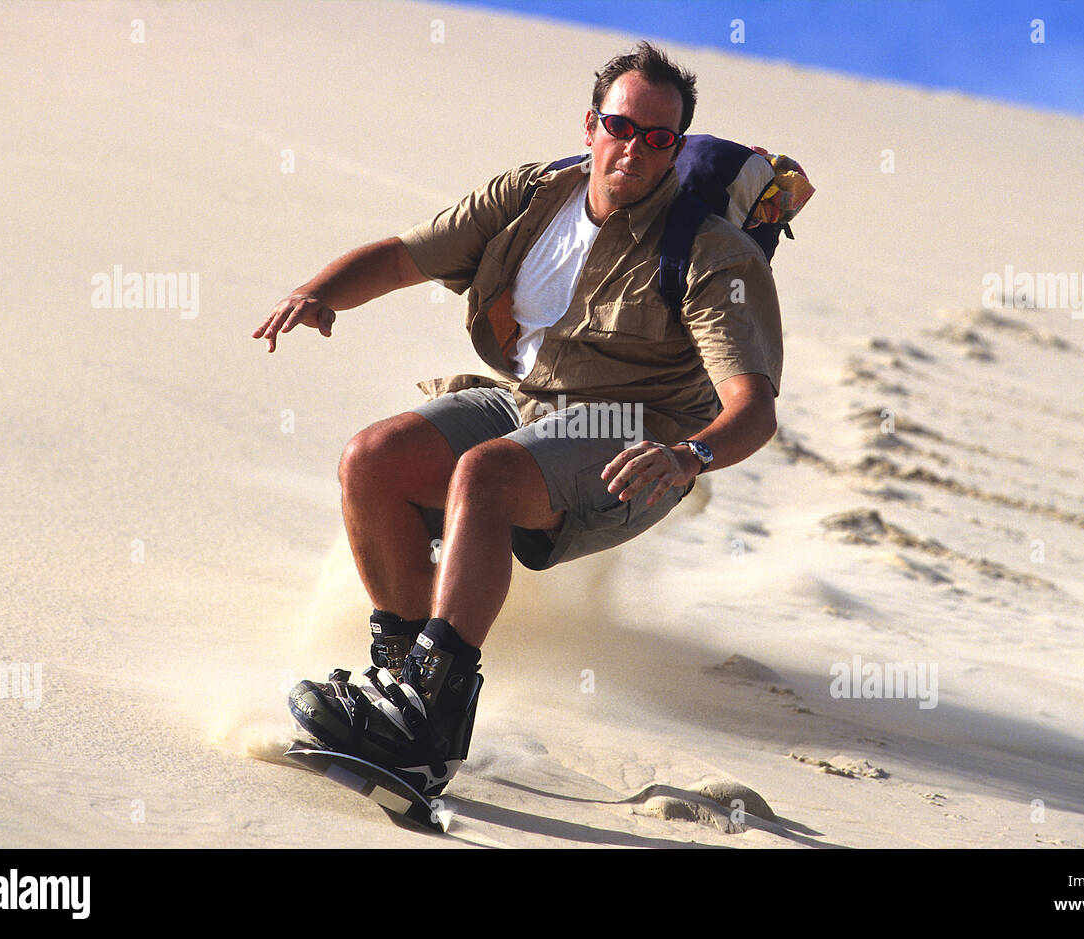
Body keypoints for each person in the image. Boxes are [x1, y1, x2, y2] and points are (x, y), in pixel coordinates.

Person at [253, 42, 782, 797]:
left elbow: (751, 407)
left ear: (675, 150)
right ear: (591, 124)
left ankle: (430, 722)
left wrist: (690, 456)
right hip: (528, 400)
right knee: (372, 458)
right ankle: (397, 689)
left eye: (658, 138)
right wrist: (320, 292)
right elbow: (408, 257)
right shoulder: (534, 195)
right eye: (621, 127)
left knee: (486, 472)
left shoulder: (709, 253)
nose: (634, 149)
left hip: (639, 432)